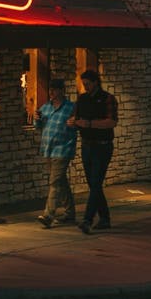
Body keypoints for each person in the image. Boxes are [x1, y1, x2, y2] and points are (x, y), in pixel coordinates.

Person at [68, 69, 118, 234]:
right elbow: (76, 118)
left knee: (96, 182)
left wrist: (89, 124)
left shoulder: (107, 98)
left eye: (87, 84)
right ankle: (104, 218)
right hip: (87, 144)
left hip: (102, 145)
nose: (85, 87)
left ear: (95, 82)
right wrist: (73, 123)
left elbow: (111, 122)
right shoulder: (82, 99)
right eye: (83, 84)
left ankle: (87, 220)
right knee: (93, 183)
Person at [34, 77, 77, 228]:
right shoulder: (45, 107)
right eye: (50, 89)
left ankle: (48, 215)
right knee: (60, 181)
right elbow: (38, 126)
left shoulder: (71, 107)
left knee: (54, 182)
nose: (51, 92)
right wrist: (37, 119)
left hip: (63, 148)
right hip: (48, 148)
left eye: (54, 89)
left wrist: (76, 122)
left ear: (62, 91)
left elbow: (78, 124)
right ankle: (70, 213)